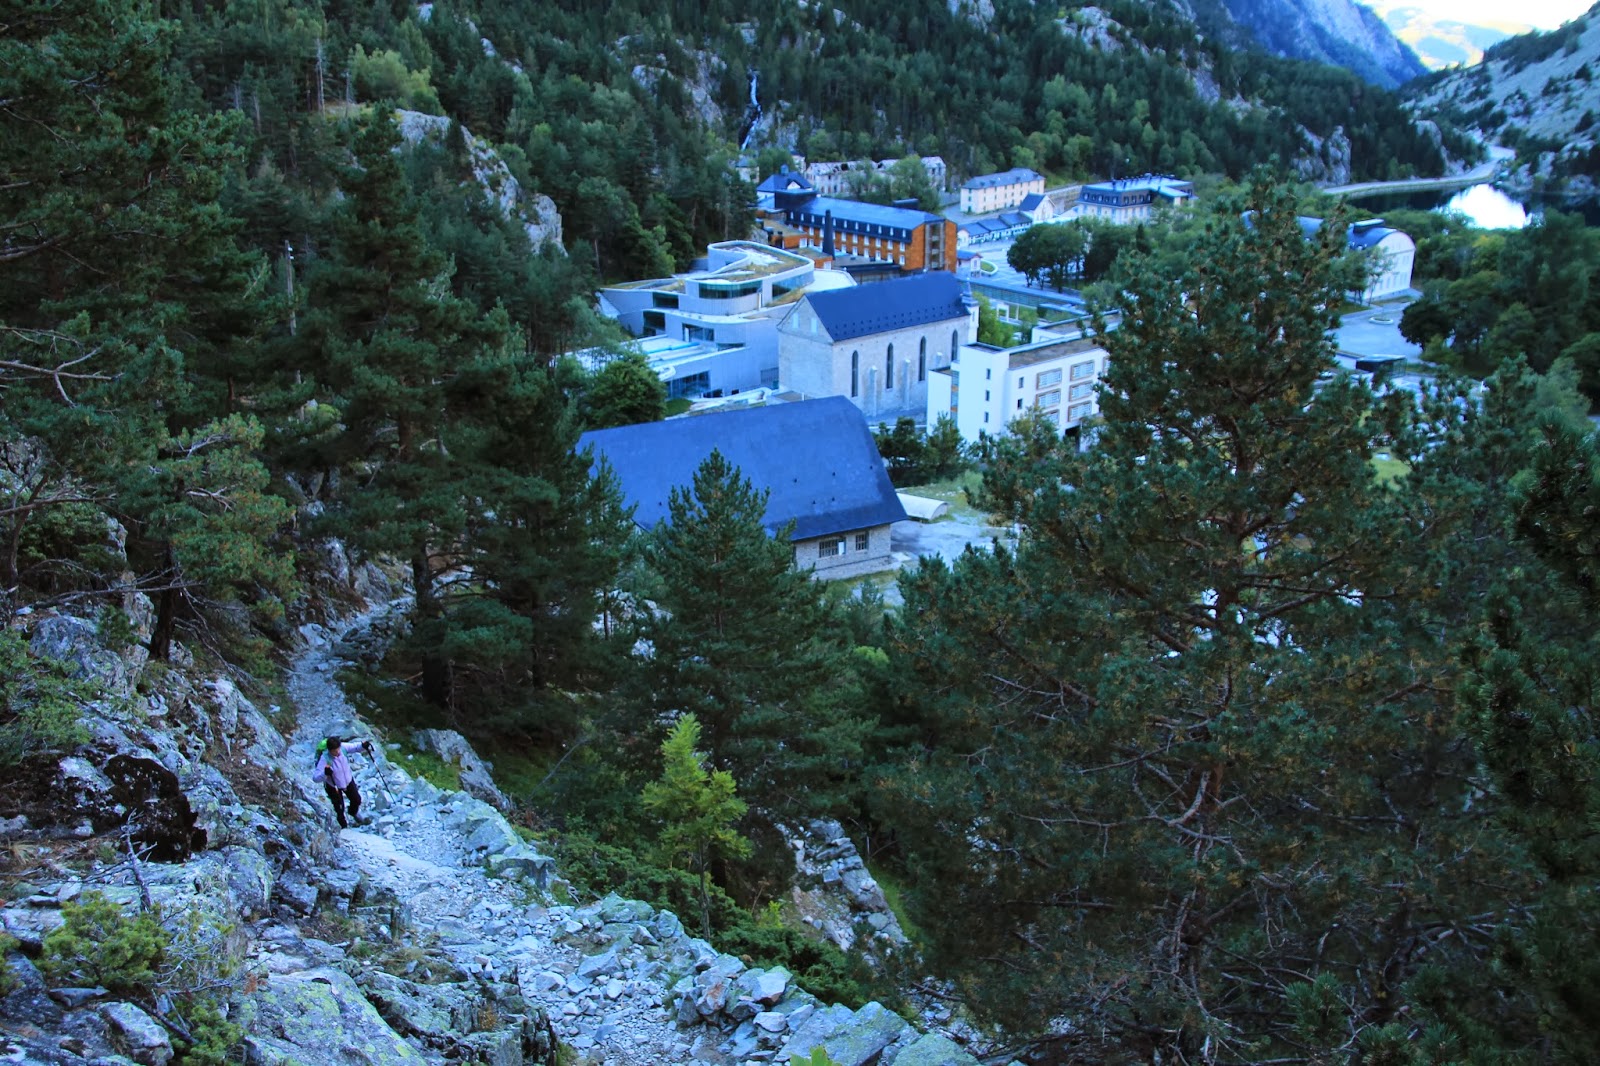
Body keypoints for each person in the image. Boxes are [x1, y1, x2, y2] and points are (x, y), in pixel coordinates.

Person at [314, 735, 371, 829]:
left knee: (357, 799)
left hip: (348, 781)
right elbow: (316, 778)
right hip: (333, 786)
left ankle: (353, 812)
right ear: (329, 750)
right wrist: (325, 773)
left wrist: (363, 745)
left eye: (338, 749)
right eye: (334, 751)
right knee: (339, 808)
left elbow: (354, 747)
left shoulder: (342, 748)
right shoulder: (325, 758)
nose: (337, 752)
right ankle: (343, 827)